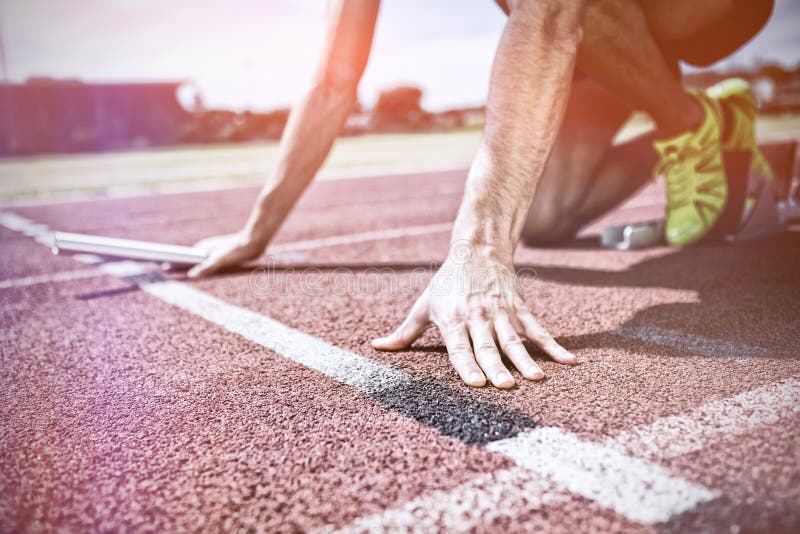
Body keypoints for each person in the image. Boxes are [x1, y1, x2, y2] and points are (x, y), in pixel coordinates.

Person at [186, 0, 774, 389]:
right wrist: (256, 231)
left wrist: (480, 250)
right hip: (606, 24)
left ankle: (683, 123)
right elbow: (334, 80)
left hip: (696, 10)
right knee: (546, 213)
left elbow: (552, 13)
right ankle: (716, 117)